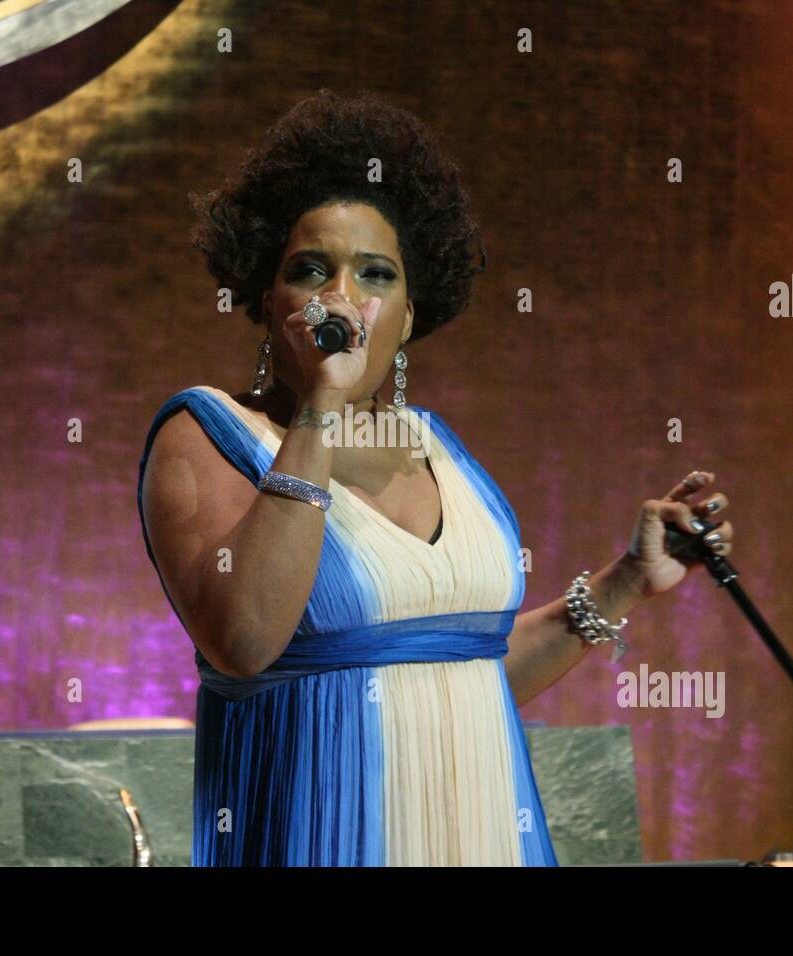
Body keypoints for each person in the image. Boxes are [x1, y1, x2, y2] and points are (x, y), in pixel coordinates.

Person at [137, 89, 735, 865]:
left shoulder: (436, 444)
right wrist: (323, 401)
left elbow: (461, 673)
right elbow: (243, 640)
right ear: (266, 299)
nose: (343, 299)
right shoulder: (207, 433)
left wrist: (625, 581)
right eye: (312, 270)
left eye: (375, 274)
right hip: (326, 838)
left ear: (411, 316)